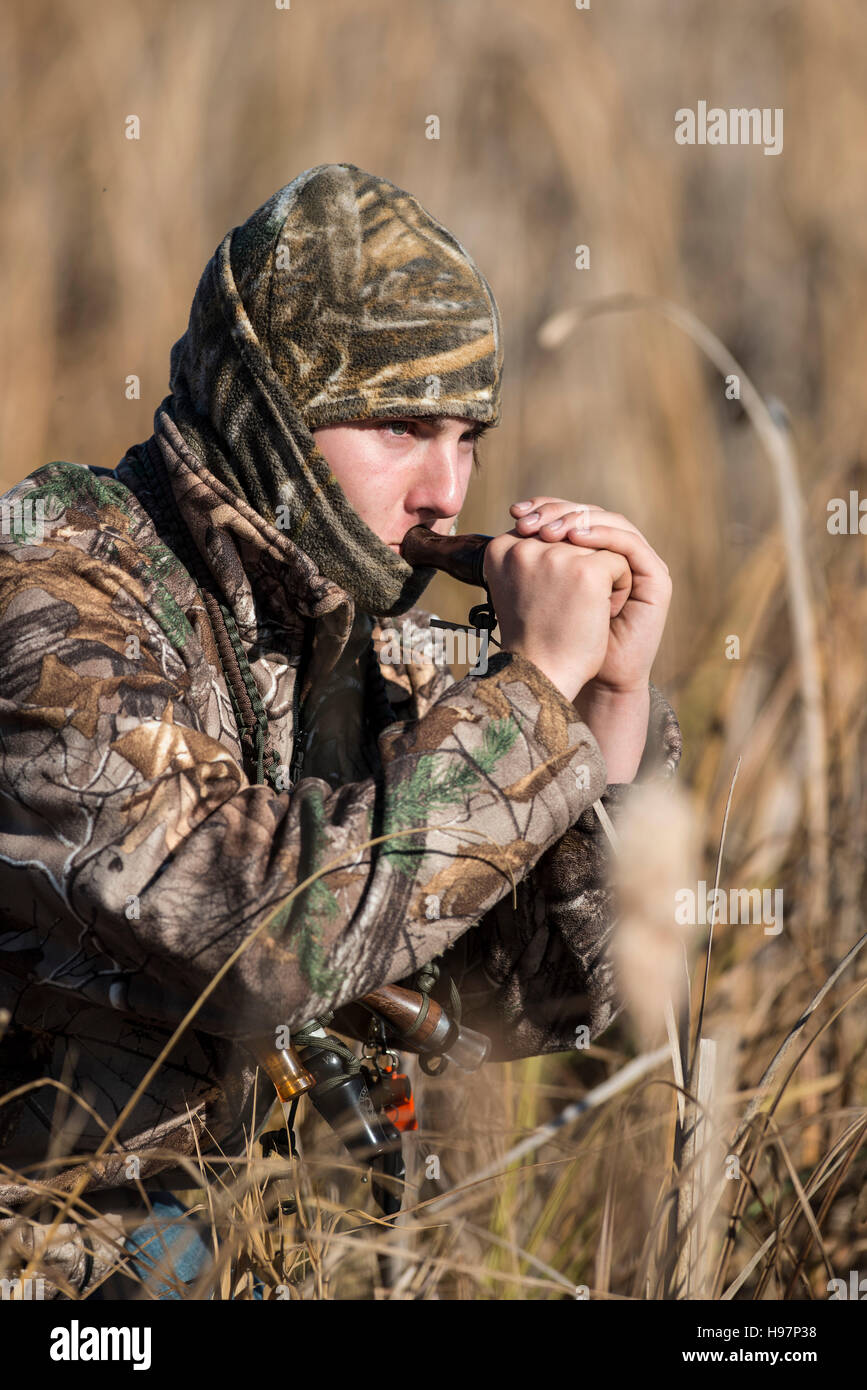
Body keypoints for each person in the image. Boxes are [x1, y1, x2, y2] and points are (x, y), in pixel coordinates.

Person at [0, 162, 681, 1297]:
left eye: (468, 435)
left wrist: (603, 703)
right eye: (402, 426)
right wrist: (528, 695)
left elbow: (535, 1001)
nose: (446, 490)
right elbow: (257, 931)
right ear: (268, 411)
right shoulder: (55, 605)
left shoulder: (361, 638)